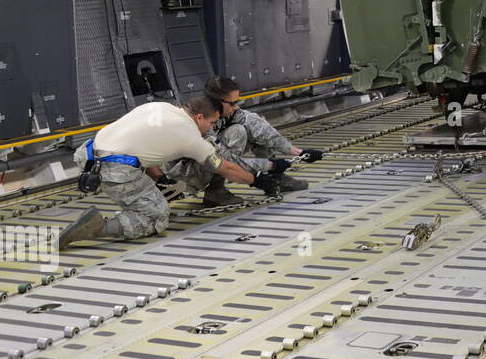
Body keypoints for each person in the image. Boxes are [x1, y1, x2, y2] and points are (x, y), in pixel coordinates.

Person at [59, 96, 276, 247]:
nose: (211, 128)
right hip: (114, 168)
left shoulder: (159, 107)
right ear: (199, 117)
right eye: (211, 122)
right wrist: (255, 180)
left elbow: (143, 143)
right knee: (156, 218)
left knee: (149, 199)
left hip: (88, 153)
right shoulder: (191, 137)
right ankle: (96, 227)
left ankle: (132, 209)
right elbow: (226, 168)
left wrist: (159, 178)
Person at [165, 75, 324, 207]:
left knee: (249, 129)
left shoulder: (224, 112)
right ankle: (215, 191)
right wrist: (268, 167)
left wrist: (298, 152)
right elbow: (226, 160)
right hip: (184, 176)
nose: (236, 107)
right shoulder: (201, 123)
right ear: (216, 102)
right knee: (238, 133)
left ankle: (275, 179)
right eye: (232, 103)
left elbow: (258, 127)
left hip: (209, 162)